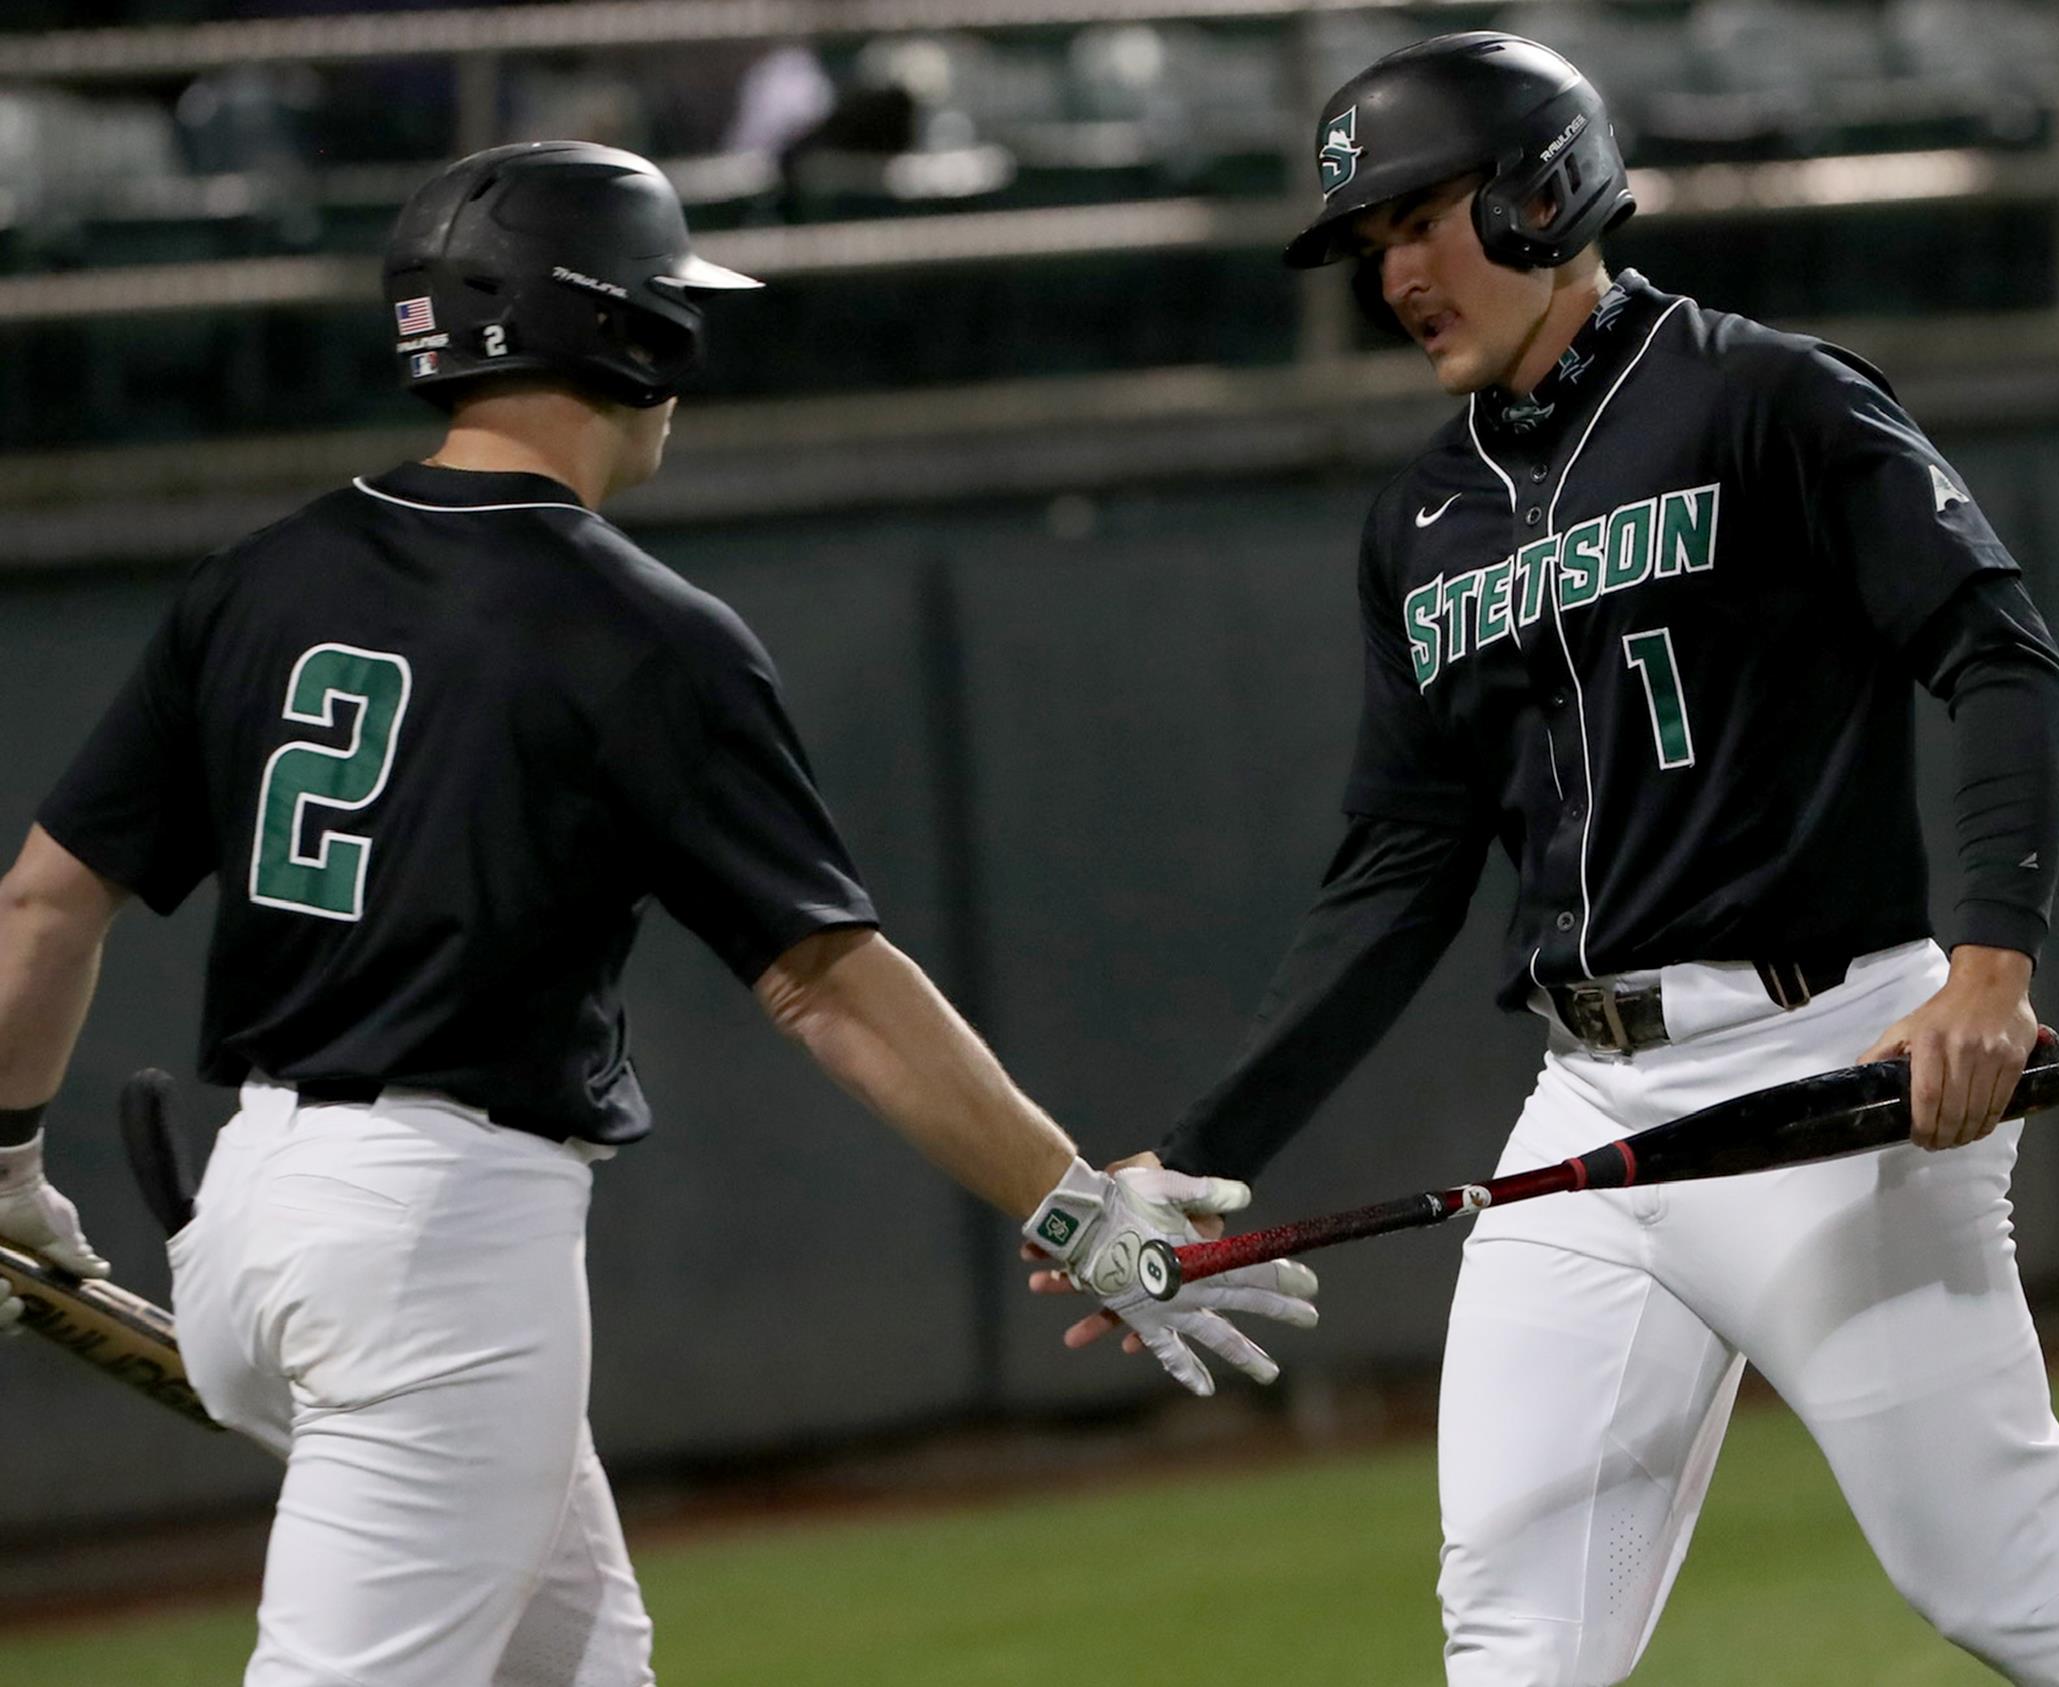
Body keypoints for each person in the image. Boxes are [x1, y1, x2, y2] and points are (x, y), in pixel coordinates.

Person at [0, 140, 1315, 1687]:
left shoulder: (259, 580)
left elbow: (41, 901)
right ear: (630, 335)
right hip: (437, 1257)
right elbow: (829, 985)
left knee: (585, 1673)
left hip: (253, 1220)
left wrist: (7, 1162)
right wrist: (1074, 1203)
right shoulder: (640, 630)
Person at [1036, 33, 2059, 1687]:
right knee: (1516, 1638)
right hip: (1592, 1108)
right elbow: (1400, 869)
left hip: (1831, 1073)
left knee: (2010, 1588)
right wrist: (1194, 1155)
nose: (1394, 275)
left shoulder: (1762, 392)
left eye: (1420, 220)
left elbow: (2004, 658)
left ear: (1545, 191)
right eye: (1368, 245)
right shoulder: (1421, 519)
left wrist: (1988, 967)